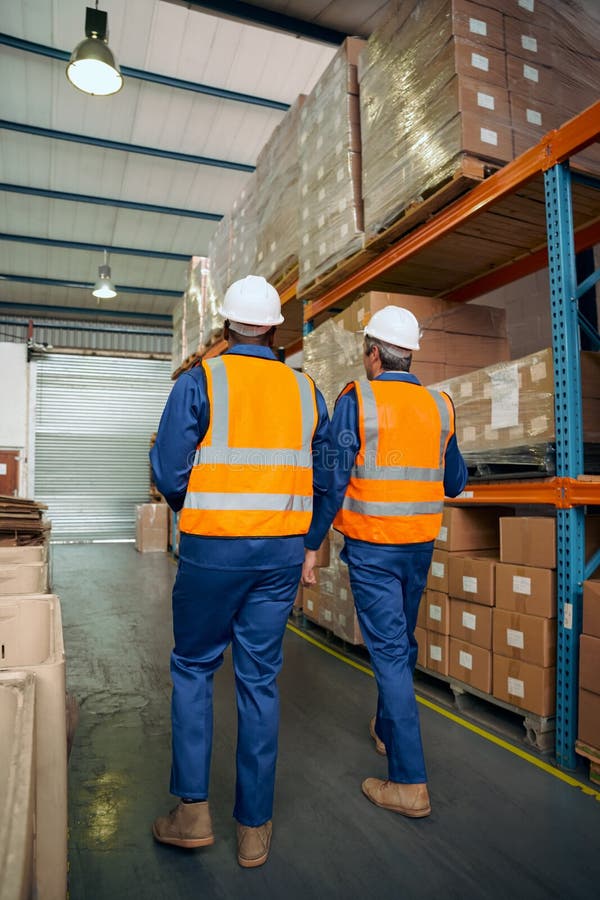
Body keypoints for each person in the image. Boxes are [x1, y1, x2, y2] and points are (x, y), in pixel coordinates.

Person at [150, 275, 330, 867]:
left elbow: (168, 467)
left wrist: (195, 511)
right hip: (279, 558)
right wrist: (307, 538)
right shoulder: (307, 390)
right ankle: (254, 827)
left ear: (225, 326)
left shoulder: (201, 381)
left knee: (195, 667)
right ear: (277, 328)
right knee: (259, 680)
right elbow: (328, 474)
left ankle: (192, 812)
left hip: (213, 552)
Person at [302, 305, 467, 818]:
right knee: (400, 643)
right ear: (409, 353)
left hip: (374, 548)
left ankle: (409, 782)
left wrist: (311, 544)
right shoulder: (441, 405)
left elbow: (329, 479)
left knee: (391, 654)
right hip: (419, 546)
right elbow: (456, 482)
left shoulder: (359, 401)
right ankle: (385, 728)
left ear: (373, 353)